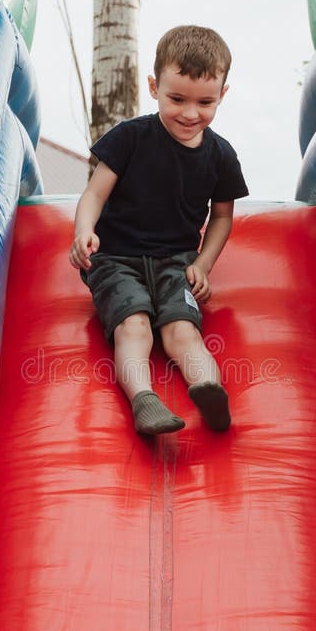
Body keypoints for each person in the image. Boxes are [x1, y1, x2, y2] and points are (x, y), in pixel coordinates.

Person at [69, 25, 249, 435]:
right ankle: (144, 401)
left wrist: (202, 264)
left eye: (205, 102)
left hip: (176, 262)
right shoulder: (130, 138)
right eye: (177, 98)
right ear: (154, 87)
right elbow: (94, 193)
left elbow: (222, 216)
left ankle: (209, 388)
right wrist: (84, 232)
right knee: (132, 325)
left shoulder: (221, 156)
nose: (190, 113)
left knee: (181, 329)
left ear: (223, 94)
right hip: (114, 258)